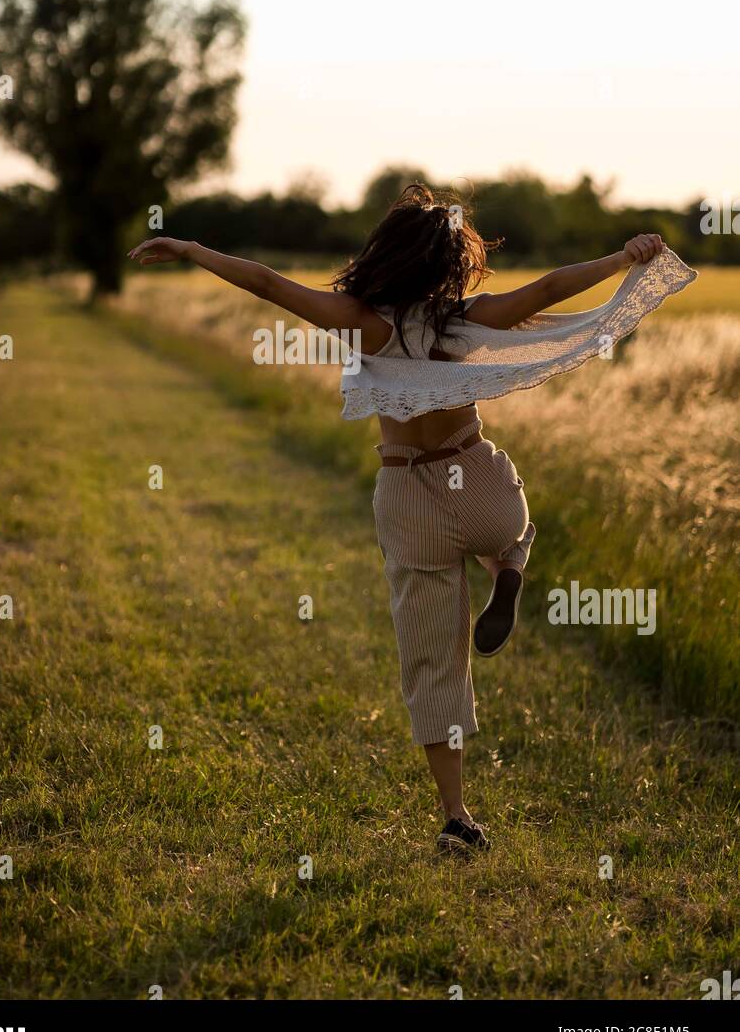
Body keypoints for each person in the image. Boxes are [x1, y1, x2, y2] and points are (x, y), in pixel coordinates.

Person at [128, 182, 693, 854]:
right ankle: (508, 566)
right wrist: (623, 258)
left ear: (385, 255)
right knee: (512, 525)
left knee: (432, 663)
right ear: (452, 264)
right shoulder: (467, 322)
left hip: (407, 497)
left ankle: (458, 817)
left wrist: (191, 247)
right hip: (478, 486)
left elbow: (268, 284)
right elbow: (547, 289)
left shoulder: (364, 324)